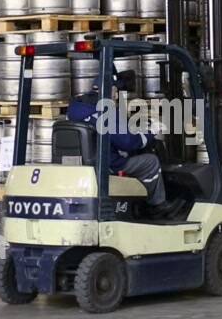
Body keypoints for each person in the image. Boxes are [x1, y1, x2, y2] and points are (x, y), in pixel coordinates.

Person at [67, 69, 184, 218]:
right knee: (151, 161)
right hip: (109, 165)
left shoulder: (75, 108)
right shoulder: (107, 110)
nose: (116, 96)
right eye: (115, 91)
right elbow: (128, 143)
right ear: (110, 90)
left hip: (87, 162)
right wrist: (151, 133)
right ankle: (156, 206)